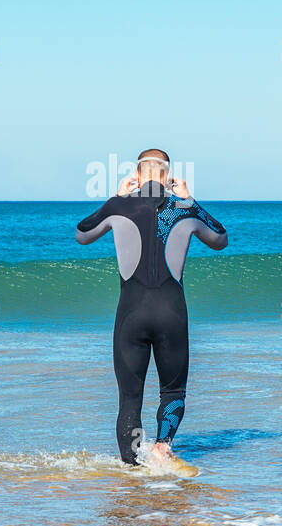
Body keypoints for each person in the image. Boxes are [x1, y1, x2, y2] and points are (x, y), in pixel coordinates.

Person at [75, 149, 228, 467]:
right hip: (172, 315)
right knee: (173, 392)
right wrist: (190, 200)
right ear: (168, 177)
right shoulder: (183, 208)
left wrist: (115, 197)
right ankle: (162, 448)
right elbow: (220, 238)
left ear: (138, 175)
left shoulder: (119, 206)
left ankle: (132, 474)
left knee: (129, 399)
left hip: (131, 315)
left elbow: (82, 234)